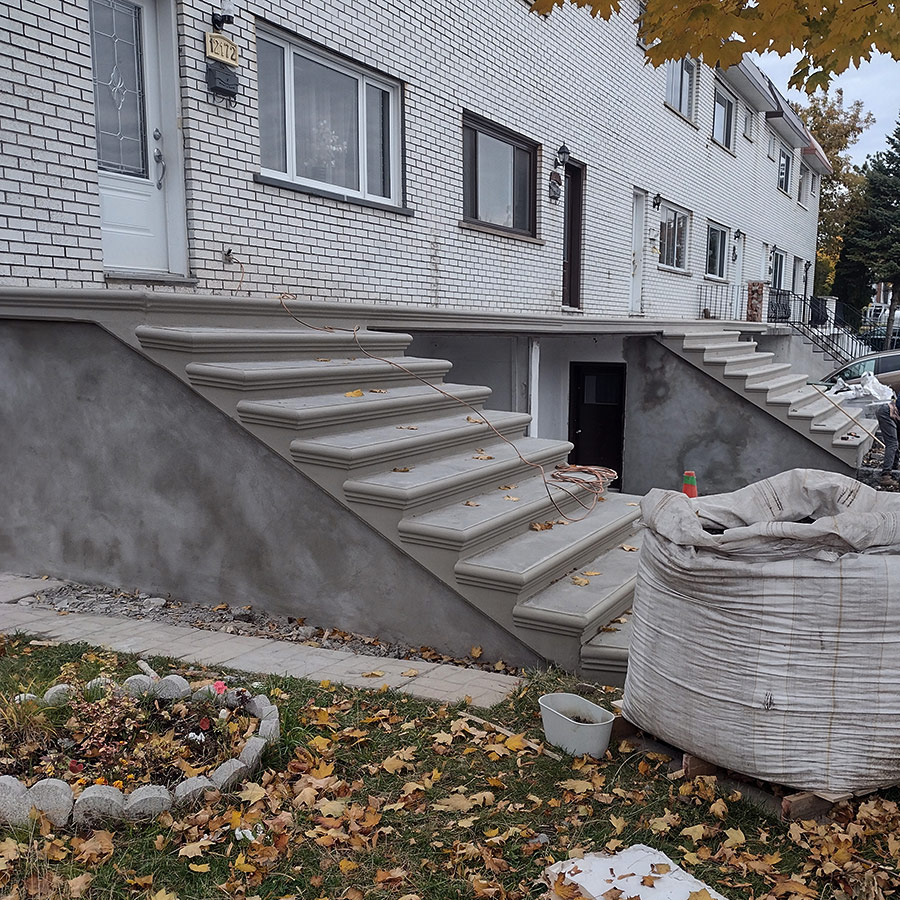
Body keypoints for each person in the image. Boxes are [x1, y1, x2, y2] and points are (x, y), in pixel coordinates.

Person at [875, 392, 900, 488]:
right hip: (887, 413)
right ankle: (885, 476)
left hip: (894, 415)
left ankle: (894, 466)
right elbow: (898, 403)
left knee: (897, 442)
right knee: (892, 443)